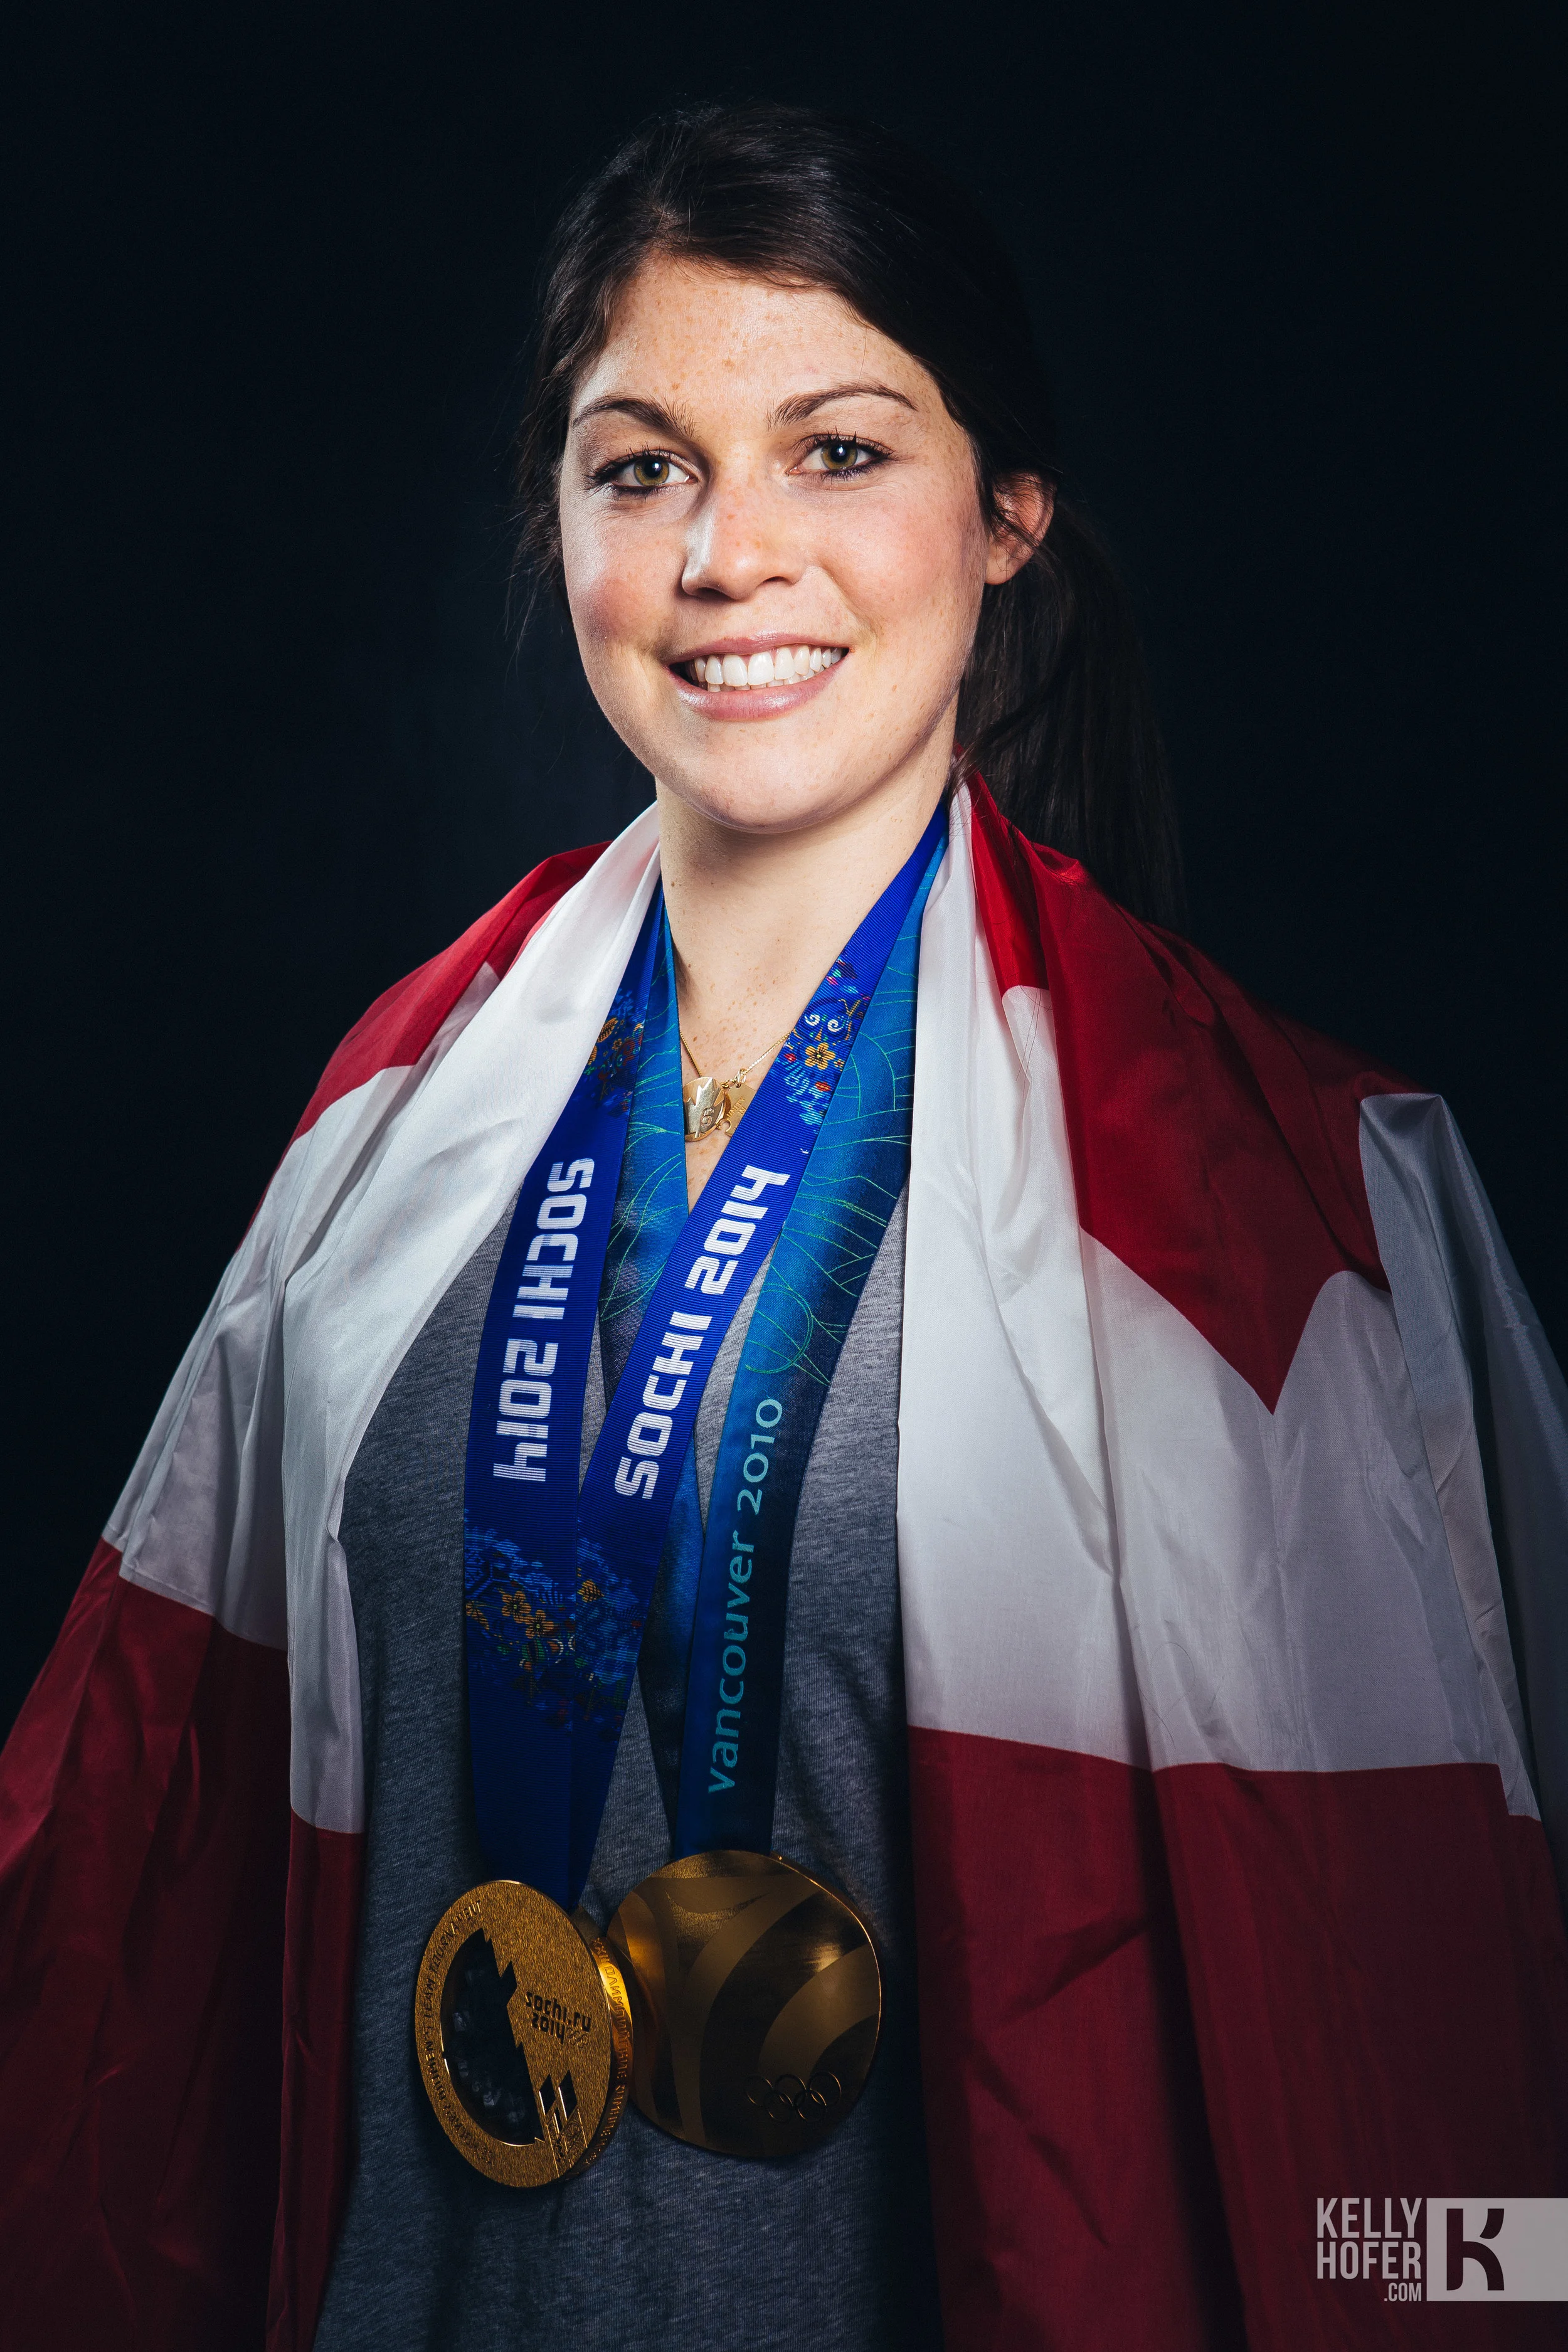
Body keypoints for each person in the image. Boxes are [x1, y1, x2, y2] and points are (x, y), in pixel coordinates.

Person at [2, 102, 1565, 2352]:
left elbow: (1455, 2116)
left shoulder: (1284, 1202)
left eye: (837, 450)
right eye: (642, 467)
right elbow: (133, 1913)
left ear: (1004, 512)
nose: (733, 553)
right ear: (560, 527)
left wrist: (1448, 2276)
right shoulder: (392, 1123)